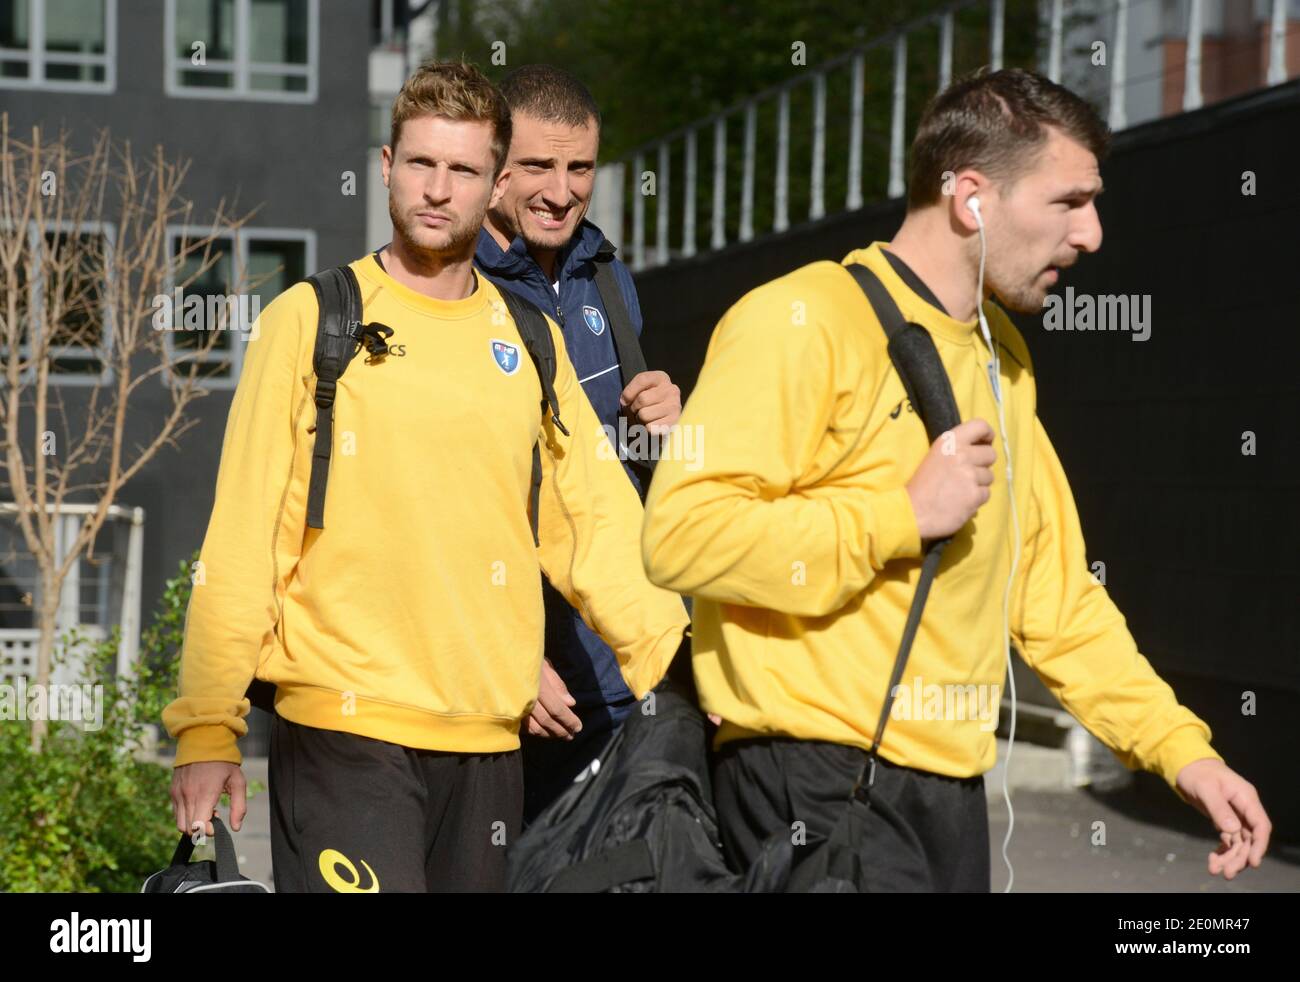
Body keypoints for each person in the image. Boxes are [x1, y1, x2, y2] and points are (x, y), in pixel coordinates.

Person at [641, 67, 1271, 890]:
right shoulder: (802, 320)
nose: (1092, 235)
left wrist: (1183, 753)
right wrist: (899, 515)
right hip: (817, 782)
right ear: (971, 197)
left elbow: (1056, 600)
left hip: (948, 795)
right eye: (1068, 202)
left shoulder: (1000, 357)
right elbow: (682, 536)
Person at [163, 60, 688, 892]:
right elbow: (243, 540)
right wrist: (206, 730)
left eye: (464, 170)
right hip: (343, 732)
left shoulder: (529, 337)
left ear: (493, 186)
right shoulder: (314, 318)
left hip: (486, 745)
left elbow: (596, 525)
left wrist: (681, 667)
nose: (438, 190)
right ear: (385, 167)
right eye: (421, 164)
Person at [475, 64, 686, 823]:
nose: (561, 191)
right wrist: (502, 656)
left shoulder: (606, 274)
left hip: (622, 676)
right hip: (508, 682)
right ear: (493, 165)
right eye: (536, 165)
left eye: (580, 167)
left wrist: (669, 425)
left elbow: (619, 478)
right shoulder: (451, 288)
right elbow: (435, 504)